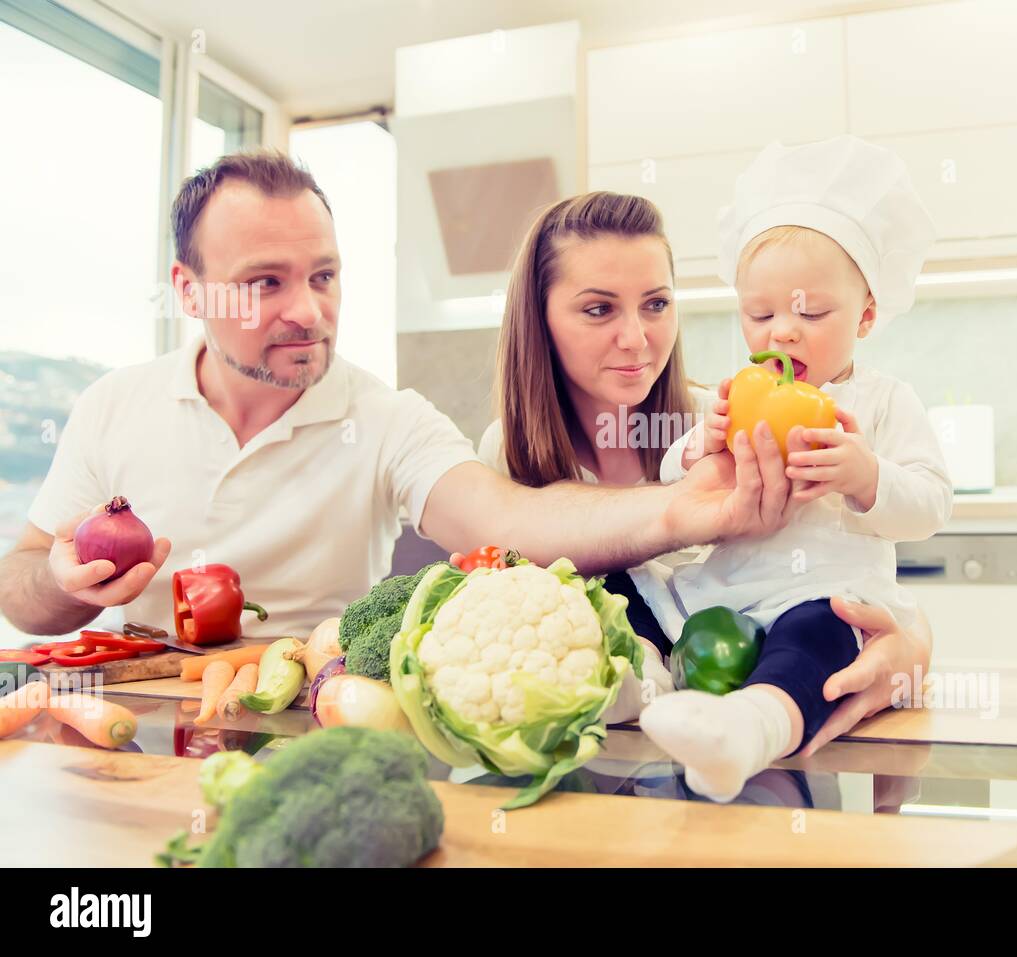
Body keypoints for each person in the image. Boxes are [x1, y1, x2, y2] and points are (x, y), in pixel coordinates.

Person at [0, 151, 795, 640]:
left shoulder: (385, 421)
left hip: (312, 726)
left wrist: (678, 510)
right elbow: (22, 584)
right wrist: (63, 587)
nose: (308, 311)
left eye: (323, 275)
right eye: (264, 283)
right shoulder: (114, 404)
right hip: (129, 727)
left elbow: (511, 522)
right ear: (190, 290)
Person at [477, 186, 936, 753]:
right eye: (598, 309)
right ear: (539, 317)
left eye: (656, 304)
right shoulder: (509, 455)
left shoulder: (724, 415)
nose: (636, 338)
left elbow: (848, 572)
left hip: (751, 744)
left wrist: (911, 649)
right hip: (592, 753)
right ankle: (624, 687)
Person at [637, 136, 953, 800]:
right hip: (724, 593)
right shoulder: (737, 394)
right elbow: (672, 486)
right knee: (633, 583)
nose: (782, 331)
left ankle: (749, 731)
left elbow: (930, 503)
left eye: (811, 312)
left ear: (866, 314)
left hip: (822, 598)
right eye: (761, 313)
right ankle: (642, 699)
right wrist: (702, 445)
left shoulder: (884, 401)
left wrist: (867, 478)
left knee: (818, 638)